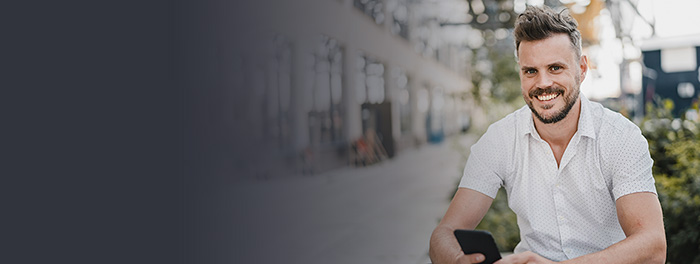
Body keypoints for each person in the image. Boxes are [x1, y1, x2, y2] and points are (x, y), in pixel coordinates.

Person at [429, 5, 666, 264]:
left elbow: (653, 247)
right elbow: (443, 234)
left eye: (555, 68)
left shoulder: (621, 138)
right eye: (531, 71)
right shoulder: (499, 140)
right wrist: (457, 260)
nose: (542, 83)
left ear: (582, 69)